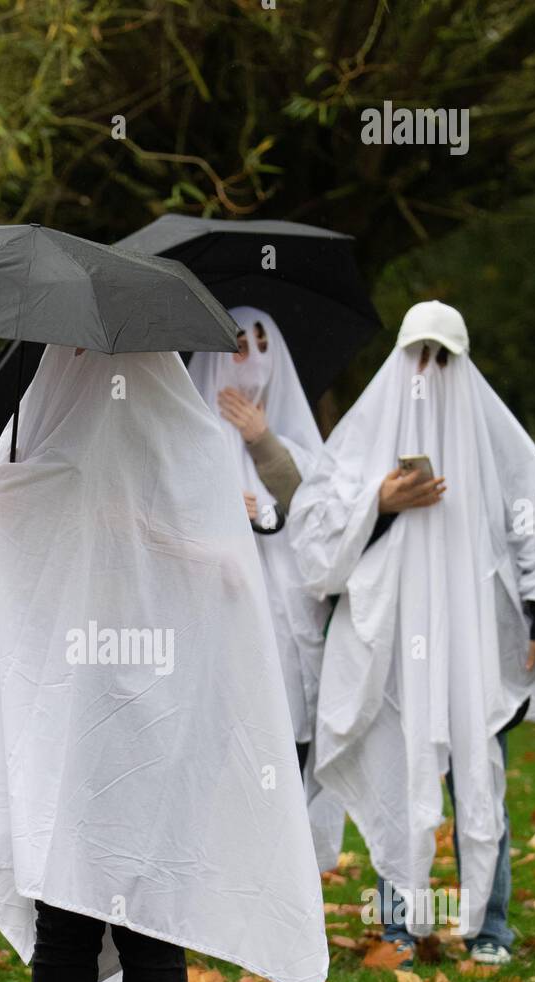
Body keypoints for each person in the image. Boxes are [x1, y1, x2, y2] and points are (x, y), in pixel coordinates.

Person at [0, 345, 327, 982]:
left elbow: (224, 577)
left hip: (160, 726)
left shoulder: (187, 454)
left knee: (153, 923)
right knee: (65, 919)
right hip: (64, 724)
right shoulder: (27, 464)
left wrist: (149, 533)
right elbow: (1, 545)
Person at [289, 301, 535, 966]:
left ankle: (487, 925)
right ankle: (399, 924)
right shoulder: (361, 442)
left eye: (442, 357)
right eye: (418, 355)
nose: (428, 371)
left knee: (479, 773)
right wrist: (377, 507)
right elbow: (314, 545)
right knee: (392, 771)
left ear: (460, 361)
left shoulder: (494, 442)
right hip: (389, 645)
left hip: (475, 641)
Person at [188, 307, 344, 871]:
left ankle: (286, 869)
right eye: (234, 343)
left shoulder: (298, 443)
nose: (248, 358)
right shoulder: (186, 441)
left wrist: (262, 445)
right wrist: (218, 512)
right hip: (222, 624)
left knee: (290, 739)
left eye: (260, 343)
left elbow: (326, 517)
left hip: (291, 624)